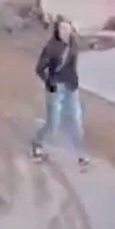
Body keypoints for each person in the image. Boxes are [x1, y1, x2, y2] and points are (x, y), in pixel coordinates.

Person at [32, 16, 89, 168]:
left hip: (72, 87)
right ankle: (37, 142)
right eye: (62, 28)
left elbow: (86, 44)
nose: (65, 31)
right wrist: (49, 83)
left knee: (76, 122)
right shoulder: (52, 47)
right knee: (53, 123)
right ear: (56, 30)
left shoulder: (74, 42)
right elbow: (39, 68)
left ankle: (81, 155)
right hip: (56, 88)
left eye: (67, 28)